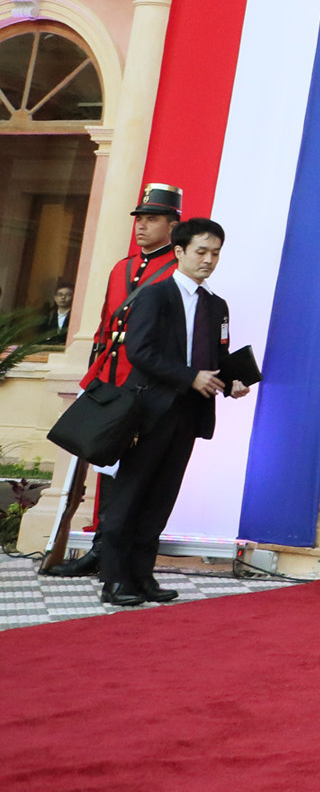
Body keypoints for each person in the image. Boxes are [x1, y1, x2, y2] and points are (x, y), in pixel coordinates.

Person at [103, 218, 252, 607]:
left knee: (162, 497)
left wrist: (234, 381)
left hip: (189, 414)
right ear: (180, 251)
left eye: (215, 253)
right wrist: (190, 377)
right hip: (149, 410)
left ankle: (142, 576)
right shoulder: (155, 296)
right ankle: (115, 580)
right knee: (130, 494)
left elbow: (218, 356)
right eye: (201, 251)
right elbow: (141, 352)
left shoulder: (217, 305)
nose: (208, 260)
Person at [45, 183, 183, 580]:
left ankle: (115, 551)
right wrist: (96, 379)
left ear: (172, 226)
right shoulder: (121, 269)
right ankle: (99, 547)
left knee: (132, 472)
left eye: (152, 219)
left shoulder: (176, 272)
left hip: (145, 387)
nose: (141, 226)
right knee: (101, 460)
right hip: (110, 383)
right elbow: (107, 327)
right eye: (139, 218)